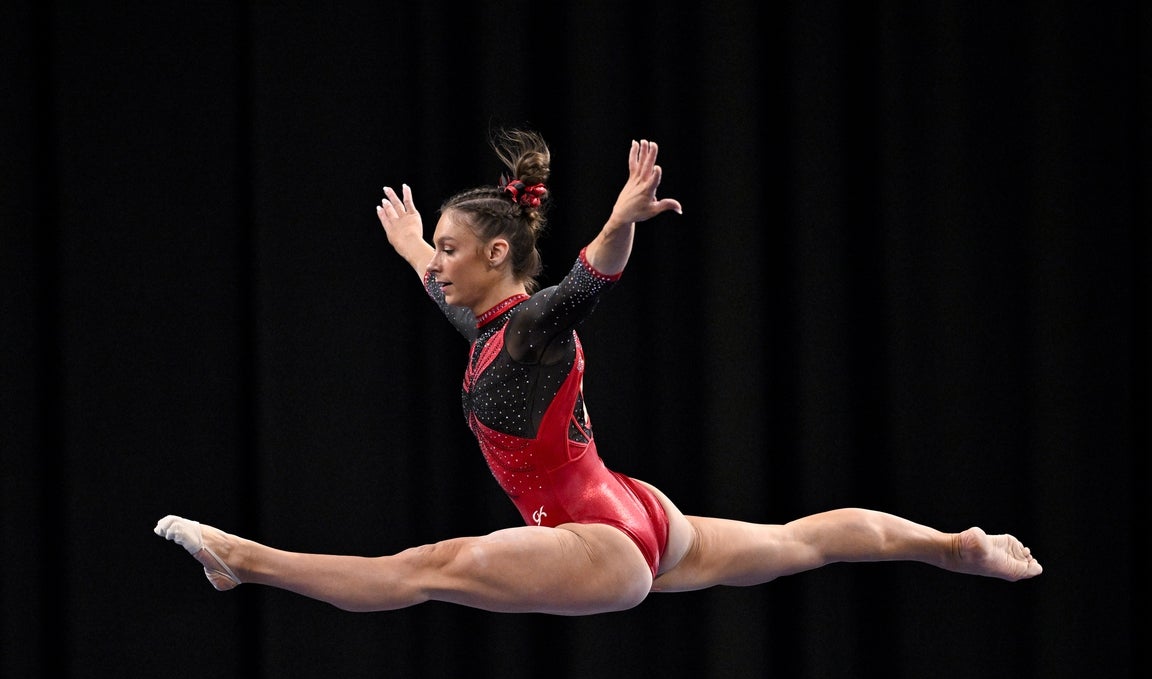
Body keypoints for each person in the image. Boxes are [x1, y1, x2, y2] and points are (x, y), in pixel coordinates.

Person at [155, 129, 1041, 615]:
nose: (439, 265)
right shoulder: (488, 319)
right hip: (638, 512)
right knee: (802, 540)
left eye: (452, 251)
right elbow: (447, 296)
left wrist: (620, 217)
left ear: (499, 252)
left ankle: (244, 560)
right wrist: (411, 245)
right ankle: (952, 546)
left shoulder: (538, 322)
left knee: (425, 568)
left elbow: (592, 276)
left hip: (604, 546)